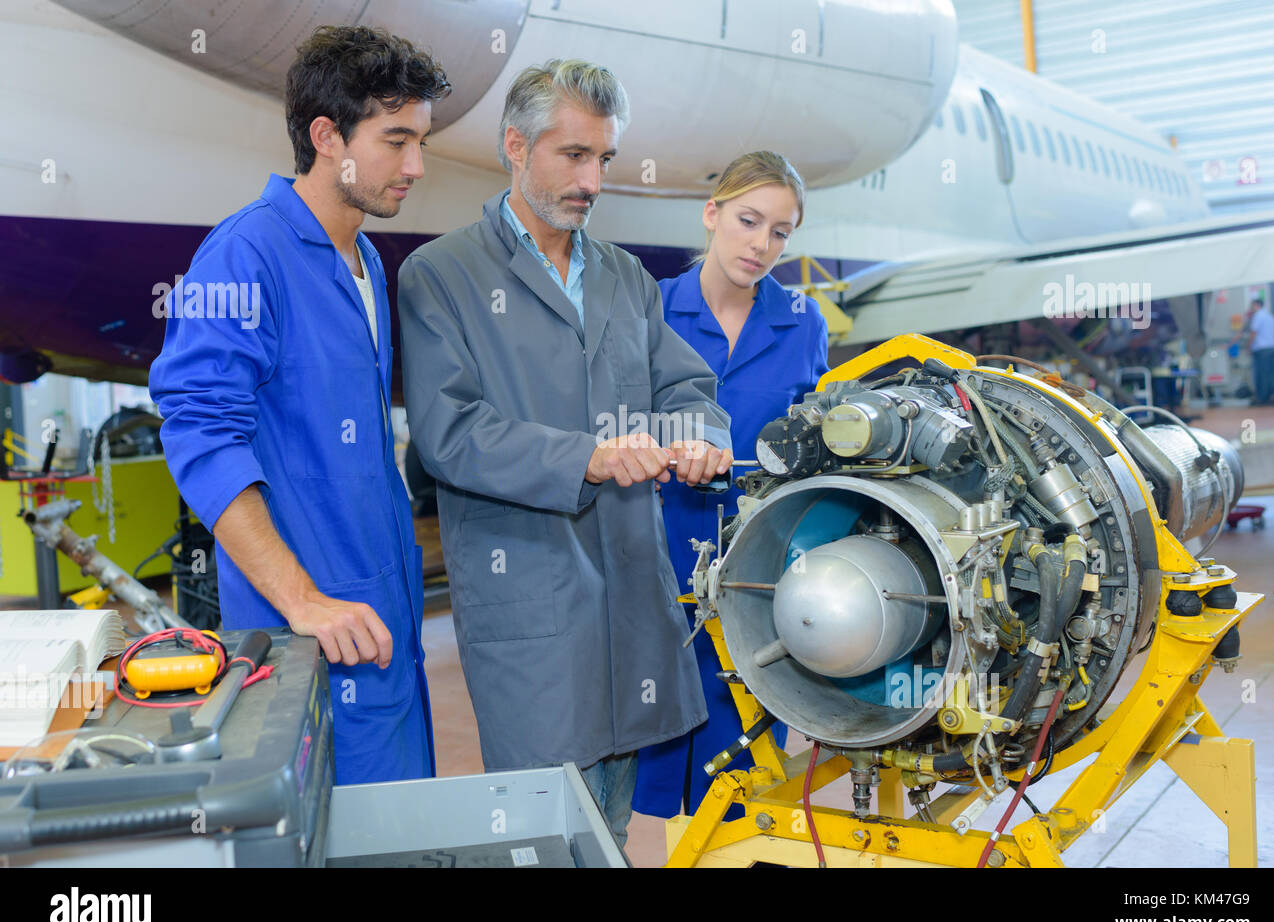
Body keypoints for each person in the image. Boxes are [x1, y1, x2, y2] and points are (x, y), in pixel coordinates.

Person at [396, 59, 733, 847]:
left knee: (610, 824)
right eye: (573, 155)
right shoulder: (441, 275)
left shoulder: (623, 277)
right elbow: (450, 432)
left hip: (630, 598)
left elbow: (687, 388)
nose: (593, 179)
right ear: (516, 145)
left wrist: (698, 441)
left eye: (605, 159)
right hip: (531, 603)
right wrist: (589, 456)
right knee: (545, 832)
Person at [149, 26, 450, 785]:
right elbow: (199, 434)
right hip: (310, 645)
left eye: (421, 141)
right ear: (327, 136)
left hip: (385, 632)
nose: (416, 166)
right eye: (395, 140)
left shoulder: (367, 262)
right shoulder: (244, 255)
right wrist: (304, 598)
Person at [633, 151, 830, 821]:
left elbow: (814, 439)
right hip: (656, 559)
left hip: (756, 568)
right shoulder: (649, 308)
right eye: (749, 220)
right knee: (651, 758)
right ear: (712, 214)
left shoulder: (803, 321)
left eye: (780, 231)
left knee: (749, 770)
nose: (762, 244)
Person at [1236, 294, 1274, 405]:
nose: (1250, 308)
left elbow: (1253, 333)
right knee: (1268, 373)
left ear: (1256, 305)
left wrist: (1248, 346)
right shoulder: (1269, 316)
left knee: (1262, 374)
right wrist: (1272, 336)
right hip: (1271, 347)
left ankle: (1263, 398)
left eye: (1251, 305)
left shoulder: (1258, 316)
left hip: (1261, 349)